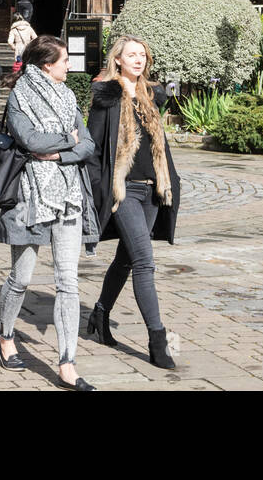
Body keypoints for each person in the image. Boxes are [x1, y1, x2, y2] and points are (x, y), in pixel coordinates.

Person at [0, 35, 99, 391]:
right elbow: (31, 142)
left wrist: (61, 151)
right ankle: (6, 336)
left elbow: (88, 145)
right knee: (21, 278)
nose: (70, 65)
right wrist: (68, 141)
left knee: (68, 283)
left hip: (70, 196)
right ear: (46, 65)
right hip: (29, 198)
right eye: (65, 60)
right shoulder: (19, 97)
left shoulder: (69, 97)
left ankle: (67, 364)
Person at [83, 34, 182, 370]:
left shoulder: (149, 94)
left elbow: (160, 146)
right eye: (132, 55)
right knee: (144, 261)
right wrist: (103, 189)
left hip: (152, 190)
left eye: (142, 55)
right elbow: (93, 149)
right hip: (123, 191)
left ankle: (100, 313)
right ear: (118, 60)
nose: (138, 60)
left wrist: (168, 181)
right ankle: (157, 339)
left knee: (126, 260)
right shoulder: (106, 96)